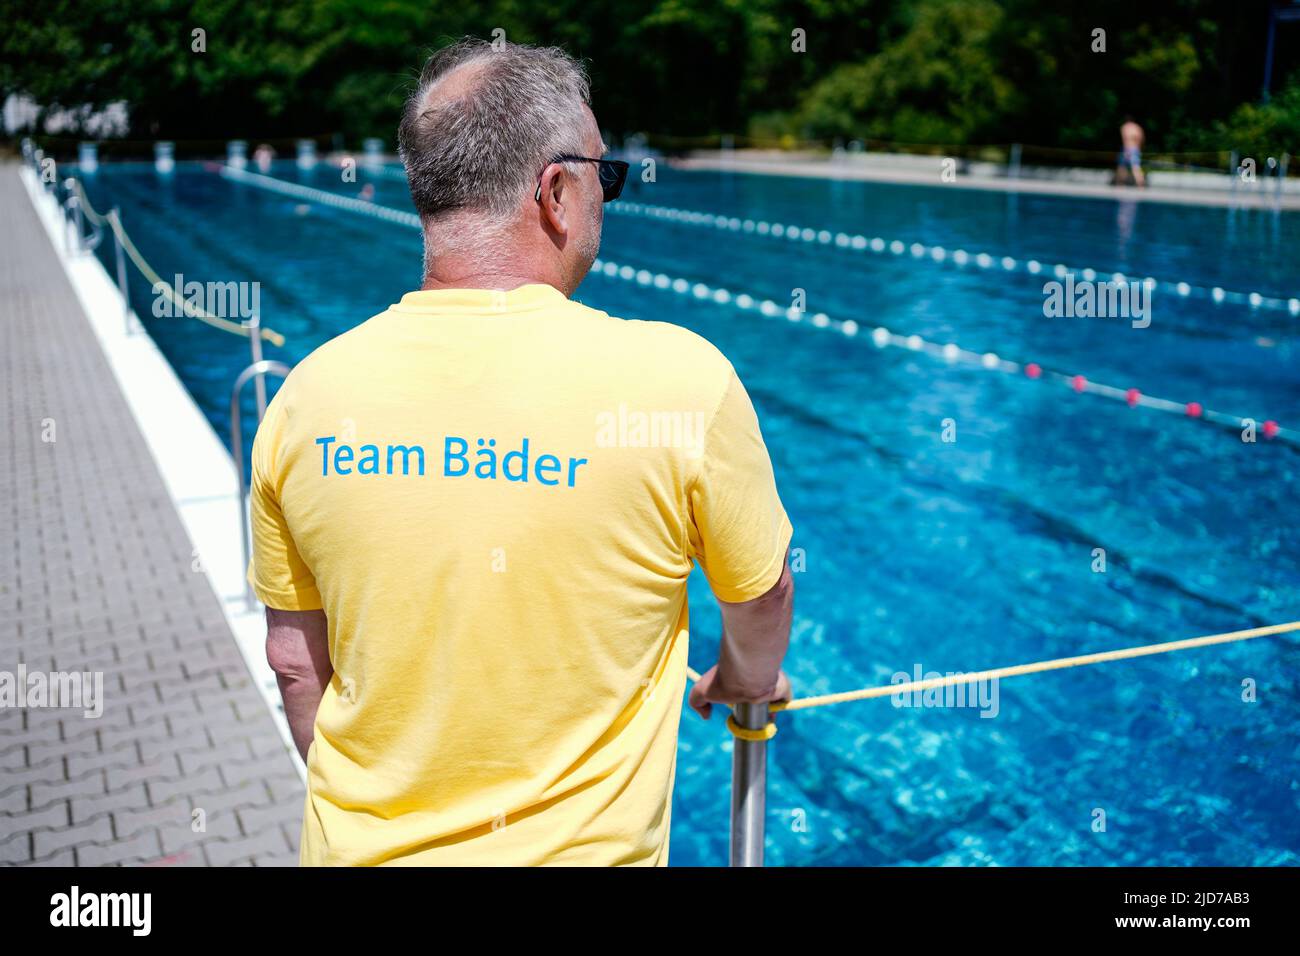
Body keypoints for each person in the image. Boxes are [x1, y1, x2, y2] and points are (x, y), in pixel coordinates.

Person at [248, 39, 794, 866]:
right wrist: (744, 681)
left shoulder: (303, 399)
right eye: (604, 177)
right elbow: (759, 596)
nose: (607, 201)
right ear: (555, 191)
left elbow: (295, 664)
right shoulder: (683, 384)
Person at [1116, 116, 1146, 187]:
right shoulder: (1137, 128)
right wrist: (1138, 148)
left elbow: (1125, 139)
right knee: (1136, 167)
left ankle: (1120, 185)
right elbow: (1142, 139)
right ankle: (1141, 185)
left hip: (1127, 148)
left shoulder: (1125, 127)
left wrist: (1126, 150)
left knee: (1122, 167)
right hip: (1135, 148)